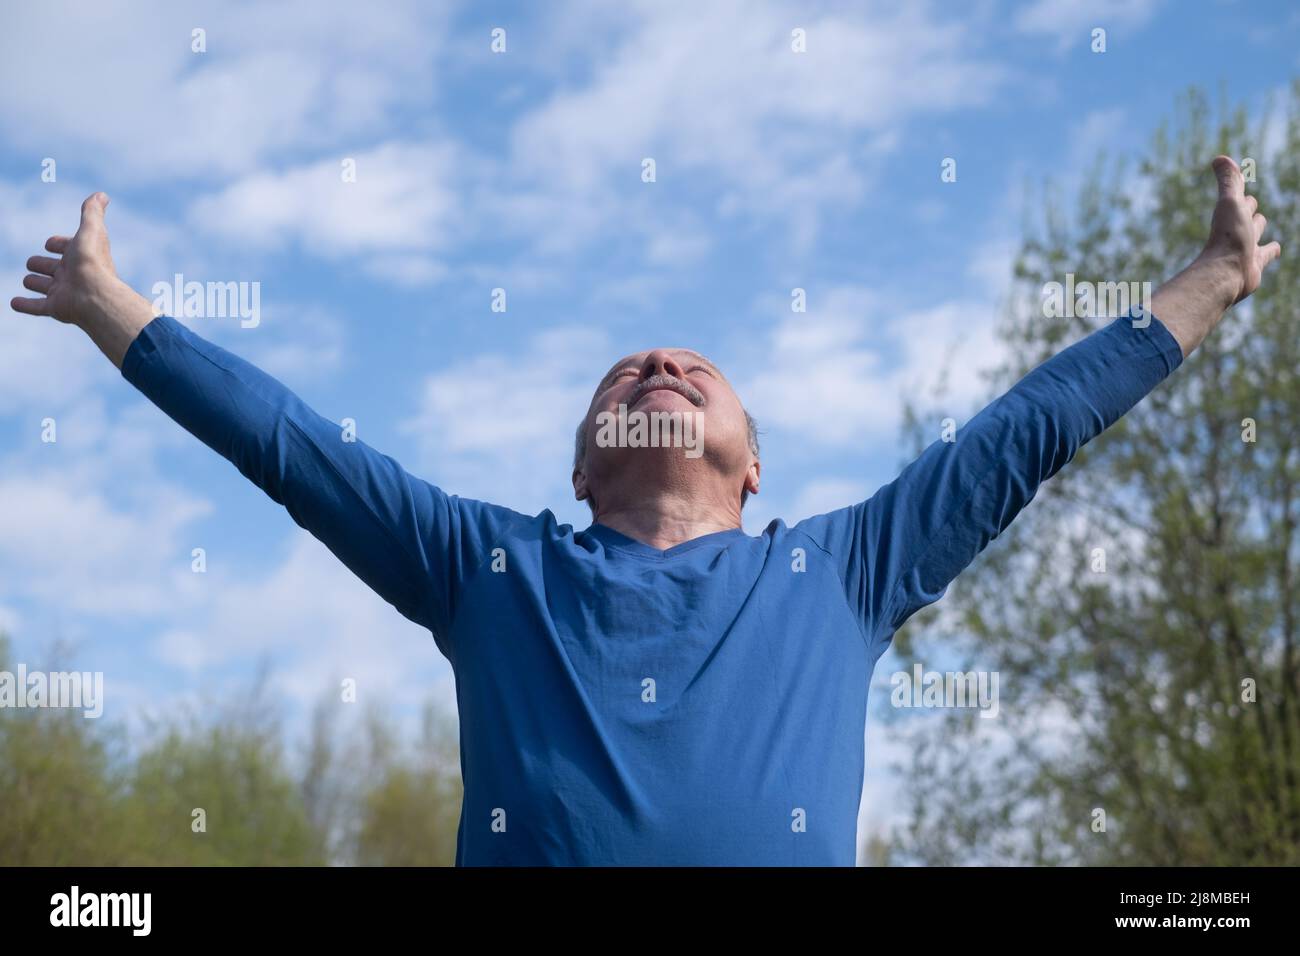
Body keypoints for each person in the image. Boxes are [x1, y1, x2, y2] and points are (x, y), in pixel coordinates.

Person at [10, 157, 1280, 865]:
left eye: (696, 368)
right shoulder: (487, 567)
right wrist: (116, 311)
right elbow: (289, 446)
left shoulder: (842, 571)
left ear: (752, 468)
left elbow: (1031, 426)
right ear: (582, 466)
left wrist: (1215, 279)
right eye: (628, 371)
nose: (662, 368)